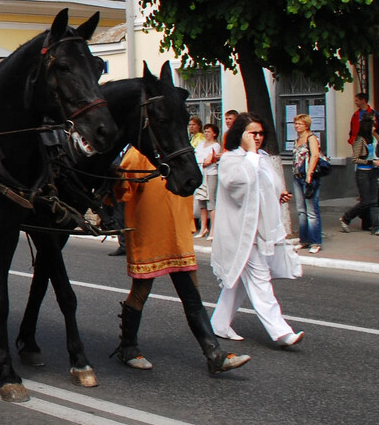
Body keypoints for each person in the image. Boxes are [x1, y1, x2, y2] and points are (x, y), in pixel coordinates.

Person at [111, 146, 251, 375]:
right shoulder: (138, 153)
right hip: (149, 234)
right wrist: (117, 176)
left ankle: (214, 354)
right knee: (140, 292)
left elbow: (191, 184)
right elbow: (122, 193)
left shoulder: (180, 151)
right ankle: (127, 348)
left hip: (177, 234)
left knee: (192, 296)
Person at [210, 113, 305, 347]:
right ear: (241, 135)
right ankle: (282, 332)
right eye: (253, 133)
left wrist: (277, 195)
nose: (258, 138)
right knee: (260, 280)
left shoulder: (259, 158)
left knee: (239, 282)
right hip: (242, 232)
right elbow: (238, 185)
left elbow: (264, 188)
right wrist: (251, 154)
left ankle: (219, 324)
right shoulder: (232, 159)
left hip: (259, 229)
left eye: (261, 133)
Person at [291, 113, 323, 254]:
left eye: (299, 123)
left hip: (309, 177)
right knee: (301, 210)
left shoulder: (311, 138)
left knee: (311, 211)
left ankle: (315, 242)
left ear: (306, 125)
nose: (296, 126)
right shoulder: (297, 139)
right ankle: (304, 239)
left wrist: (309, 174)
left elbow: (315, 155)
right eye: (296, 123)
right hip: (297, 176)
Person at [340, 112, 377, 234]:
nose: (375, 126)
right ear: (368, 126)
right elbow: (355, 159)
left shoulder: (373, 138)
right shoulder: (359, 140)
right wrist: (371, 162)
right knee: (365, 201)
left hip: (372, 173)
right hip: (362, 173)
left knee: (374, 201)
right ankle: (346, 217)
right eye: (373, 124)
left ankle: (375, 226)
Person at [193, 123, 221, 239]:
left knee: (210, 202)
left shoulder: (216, 145)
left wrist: (203, 161)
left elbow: (208, 160)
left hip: (210, 174)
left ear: (214, 133)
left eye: (209, 131)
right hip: (200, 173)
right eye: (205, 131)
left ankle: (213, 230)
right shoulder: (200, 144)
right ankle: (203, 227)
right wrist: (201, 161)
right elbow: (195, 157)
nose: (206, 134)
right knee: (201, 202)